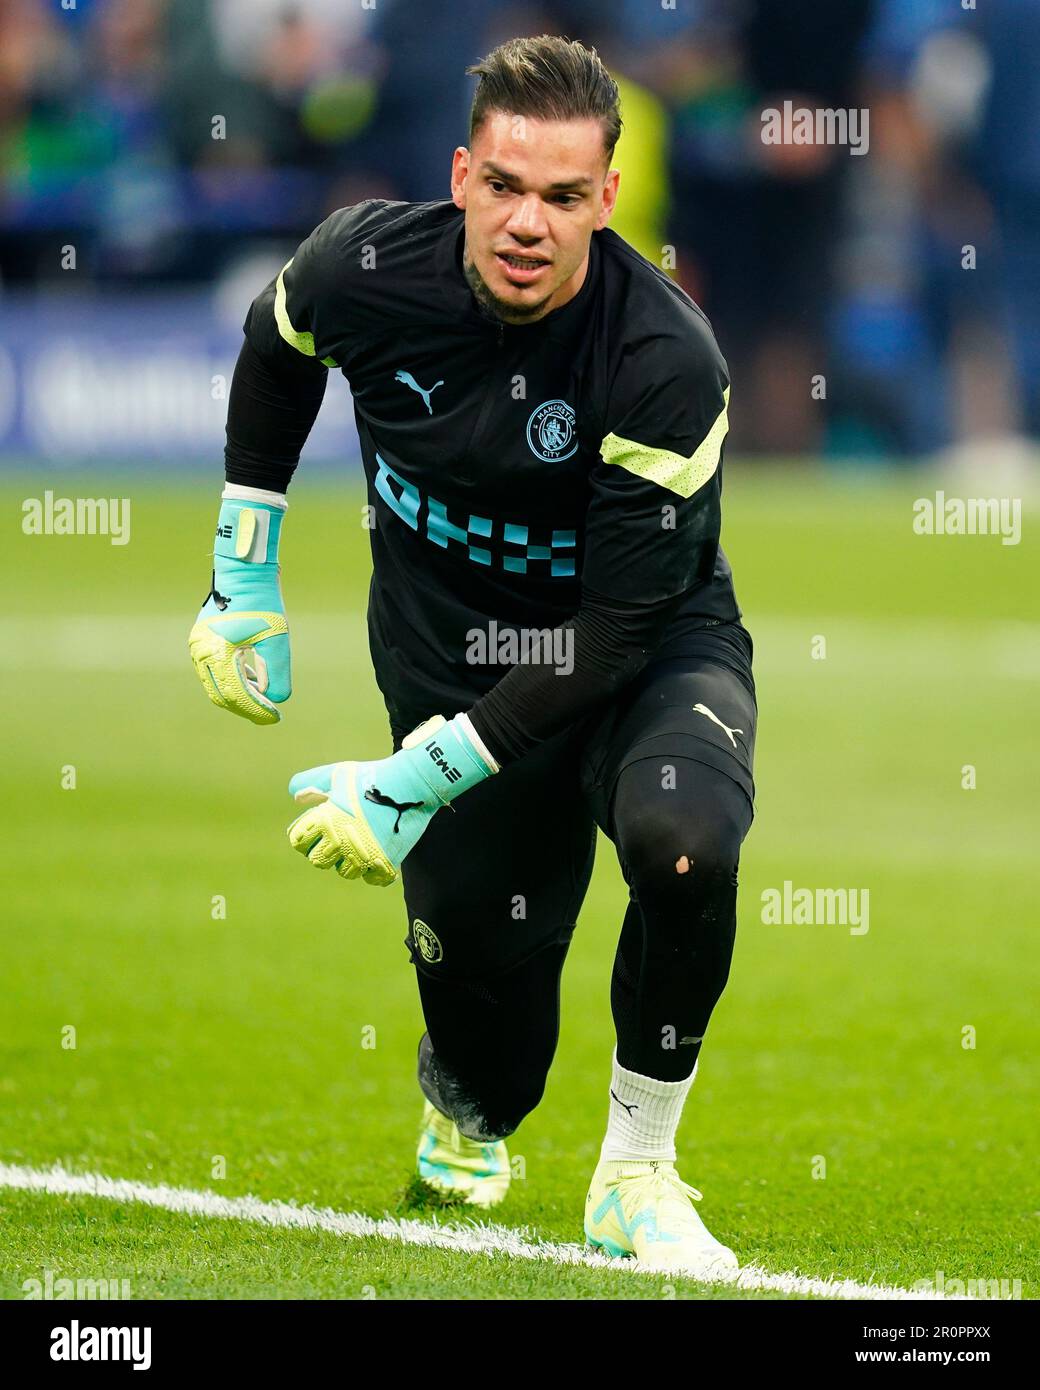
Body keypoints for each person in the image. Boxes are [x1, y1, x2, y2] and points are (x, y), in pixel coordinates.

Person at [189, 34, 757, 1280]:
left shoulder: (663, 360)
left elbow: (609, 629)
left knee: (685, 838)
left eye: (561, 197)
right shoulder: (362, 264)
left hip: (640, 651)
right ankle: (461, 1100)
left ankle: (636, 1175)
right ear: (460, 176)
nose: (526, 223)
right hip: (445, 656)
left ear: (608, 201)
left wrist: (415, 778)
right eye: (504, 185)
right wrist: (242, 573)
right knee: (490, 1075)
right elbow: (277, 344)